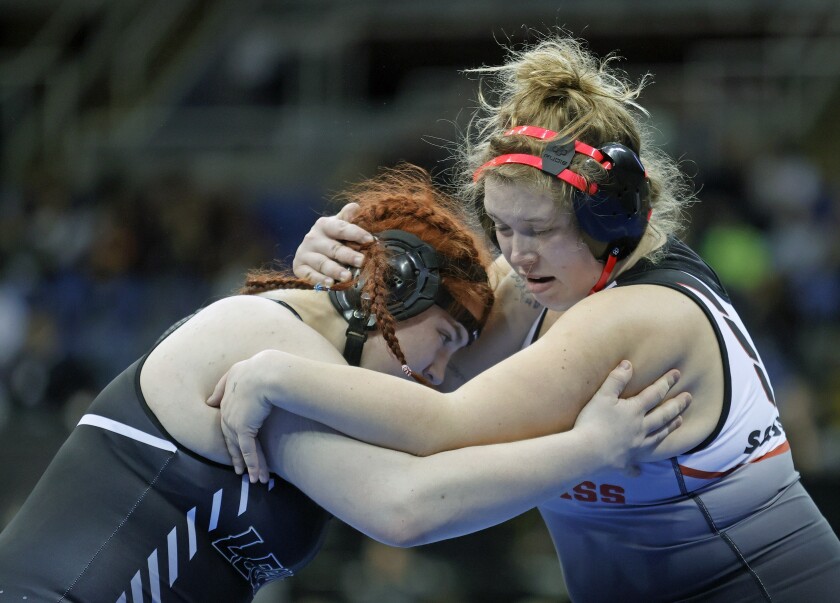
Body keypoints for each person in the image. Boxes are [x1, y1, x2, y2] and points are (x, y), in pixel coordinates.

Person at [214, 35, 840, 602]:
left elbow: (441, 426)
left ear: (612, 221)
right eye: (502, 227)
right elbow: (407, 363)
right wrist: (334, 281)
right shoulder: (534, 286)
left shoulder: (644, 317)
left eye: (538, 230)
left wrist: (277, 374)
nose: (515, 255)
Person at [0, 165, 688, 602]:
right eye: (444, 341)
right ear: (387, 287)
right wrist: (591, 446)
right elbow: (405, 510)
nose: (438, 374)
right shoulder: (257, 340)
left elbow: (502, 317)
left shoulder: (301, 366)